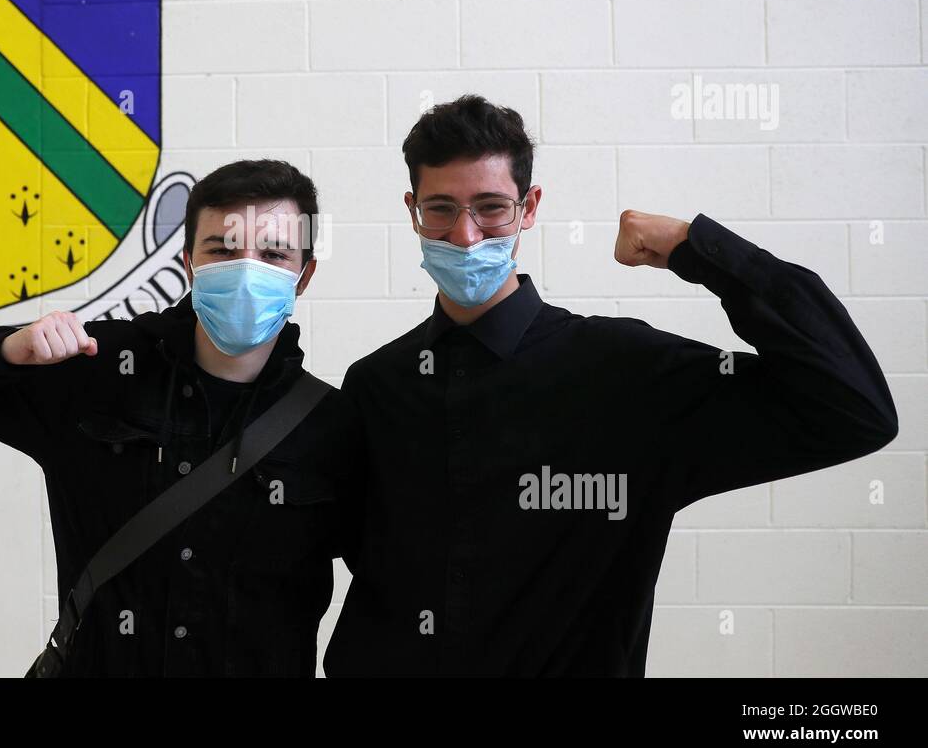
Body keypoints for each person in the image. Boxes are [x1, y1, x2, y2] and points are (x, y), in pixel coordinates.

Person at [323, 94, 899, 676]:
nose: (466, 236)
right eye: (441, 208)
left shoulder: (627, 372)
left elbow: (851, 408)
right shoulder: (376, 385)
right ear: (413, 210)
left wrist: (694, 247)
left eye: (491, 208)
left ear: (529, 207)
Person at [0, 159, 354, 676]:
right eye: (222, 250)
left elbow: (391, 575)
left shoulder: (333, 424)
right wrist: (10, 348)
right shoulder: (99, 368)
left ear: (304, 276)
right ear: (189, 263)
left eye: (273, 254)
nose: (245, 271)